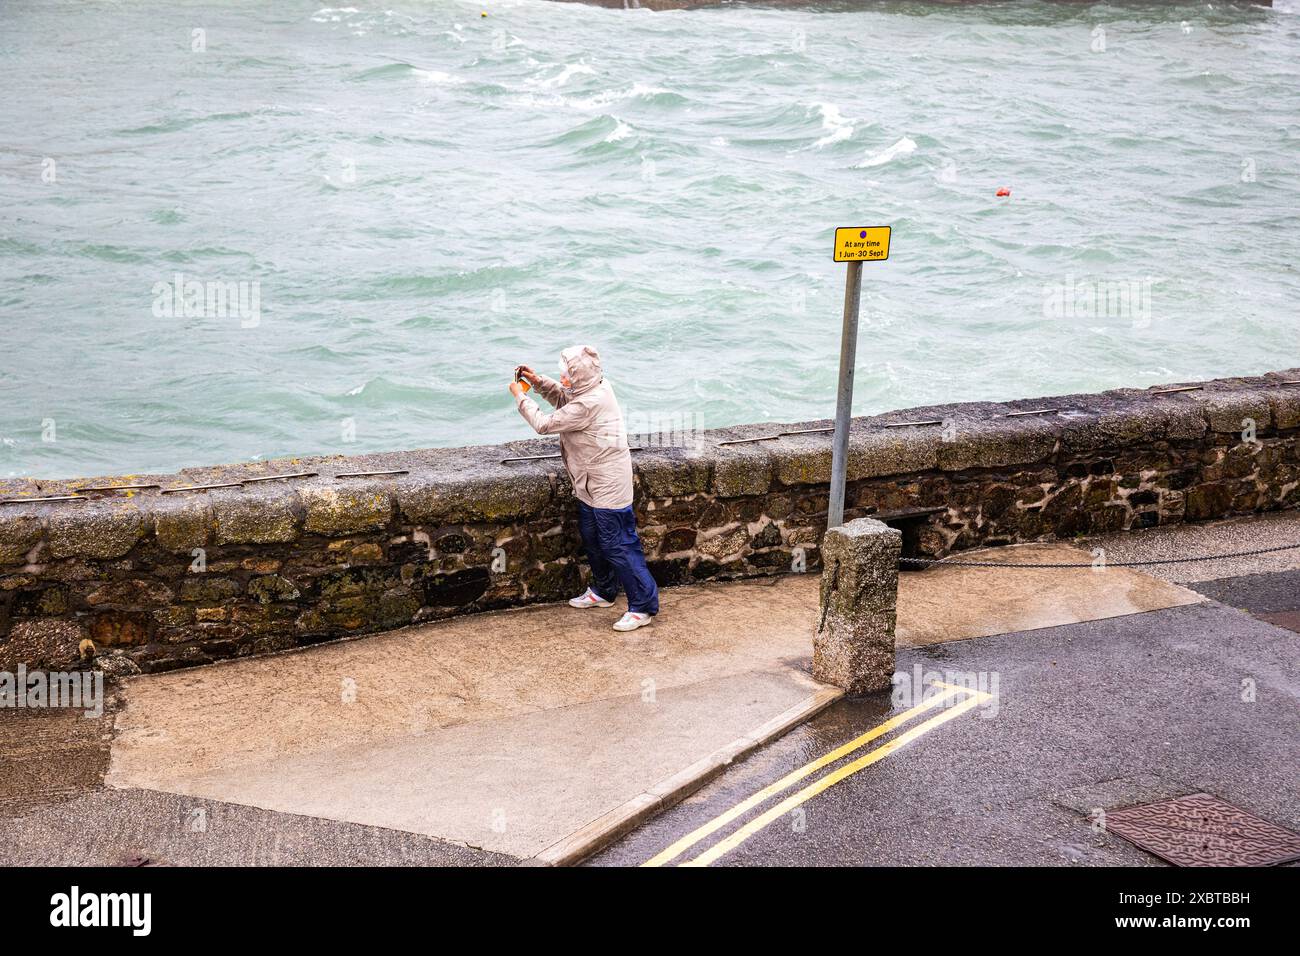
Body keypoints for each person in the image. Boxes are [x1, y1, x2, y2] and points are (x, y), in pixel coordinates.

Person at [510, 346, 659, 632]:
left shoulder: (591, 401)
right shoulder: (592, 387)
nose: (563, 379)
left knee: (619, 545)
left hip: (607, 484)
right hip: (588, 482)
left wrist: (521, 397)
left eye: (566, 375)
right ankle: (604, 591)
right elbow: (566, 397)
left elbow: (544, 424)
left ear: (579, 376)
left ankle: (643, 606)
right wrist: (539, 382)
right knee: (593, 539)